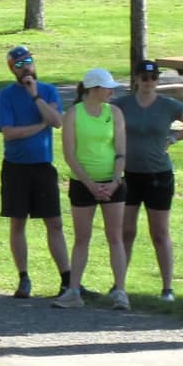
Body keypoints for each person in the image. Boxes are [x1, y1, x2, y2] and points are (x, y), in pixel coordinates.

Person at [116, 60, 183, 304]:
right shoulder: (122, 104)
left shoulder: (167, 105)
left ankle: (167, 288)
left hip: (158, 175)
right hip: (129, 174)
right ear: (136, 79)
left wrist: (174, 137)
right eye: (144, 77)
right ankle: (119, 285)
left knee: (159, 233)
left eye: (153, 78)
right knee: (126, 231)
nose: (149, 82)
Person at [0, 44, 69, 299]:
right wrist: (40, 125)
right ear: (11, 69)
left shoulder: (48, 91)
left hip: (43, 166)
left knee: (55, 223)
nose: (25, 67)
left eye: (28, 61)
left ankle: (67, 279)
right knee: (18, 222)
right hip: (15, 167)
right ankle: (24, 277)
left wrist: (36, 96)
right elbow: (9, 132)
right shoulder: (6, 95)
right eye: (19, 64)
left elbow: (57, 121)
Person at [56, 68, 131, 310]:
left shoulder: (115, 113)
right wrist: (90, 185)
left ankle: (120, 291)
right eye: (107, 88)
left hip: (112, 183)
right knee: (82, 238)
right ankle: (74, 291)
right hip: (82, 184)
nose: (111, 92)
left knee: (115, 237)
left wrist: (115, 181)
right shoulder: (73, 114)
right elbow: (70, 155)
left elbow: (121, 152)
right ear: (94, 88)